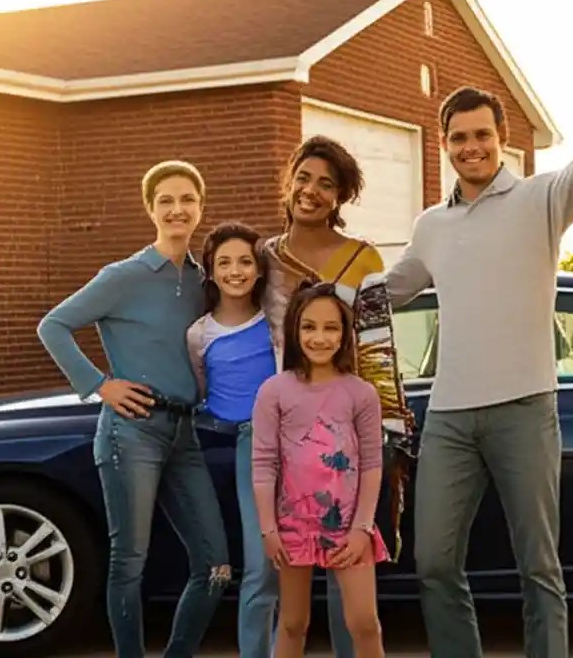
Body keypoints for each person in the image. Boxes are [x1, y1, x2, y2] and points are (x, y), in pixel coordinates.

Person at [385, 85, 573, 658]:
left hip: (525, 409)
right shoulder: (431, 225)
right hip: (448, 417)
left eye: (482, 135)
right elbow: (389, 290)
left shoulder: (541, 199)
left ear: (502, 139)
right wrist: (313, 290)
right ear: (444, 144)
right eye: (460, 138)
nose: (472, 147)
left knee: (538, 565)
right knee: (435, 563)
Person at [36, 159, 230, 658]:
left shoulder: (204, 281)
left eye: (187, 199)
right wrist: (100, 385)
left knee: (215, 565)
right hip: (131, 434)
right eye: (165, 200)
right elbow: (53, 325)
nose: (177, 209)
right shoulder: (123, 276)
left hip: (185, 433)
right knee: (129, 561)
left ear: (200, 207)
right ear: (150, 209)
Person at [260, 135, 417, 657]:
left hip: (347, 432)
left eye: (327, 184)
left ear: (341, 196)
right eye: (304, 178)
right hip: (279, 427)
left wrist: (388, 436)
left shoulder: (359, 259)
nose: (311, 191)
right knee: (287, 604)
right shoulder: (265, 258)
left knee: (355, 603)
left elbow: (376, 349)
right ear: (289, 181)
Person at [251, 282, 390, 658]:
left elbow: (372, 464)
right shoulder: (273, 392)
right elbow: (263, 464)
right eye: (309, 327)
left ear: (345, 334)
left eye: (331, 328)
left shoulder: (361, 393)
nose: (319, 337)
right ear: (295, 330)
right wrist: (268, 529)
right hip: (292, 527)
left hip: (348, 528)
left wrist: (362, 528)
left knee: (364, 623)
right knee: (293, 623)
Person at [184, 221, 282, 658]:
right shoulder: (200, 334)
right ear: (211, 271)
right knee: (257, 566)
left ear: (259, 269)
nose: (236, 271)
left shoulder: (277, 322)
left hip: (284, 444)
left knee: (281, 564)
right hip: (234, 447)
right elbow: (202, 390)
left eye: (245, 261)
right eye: (224, 262)